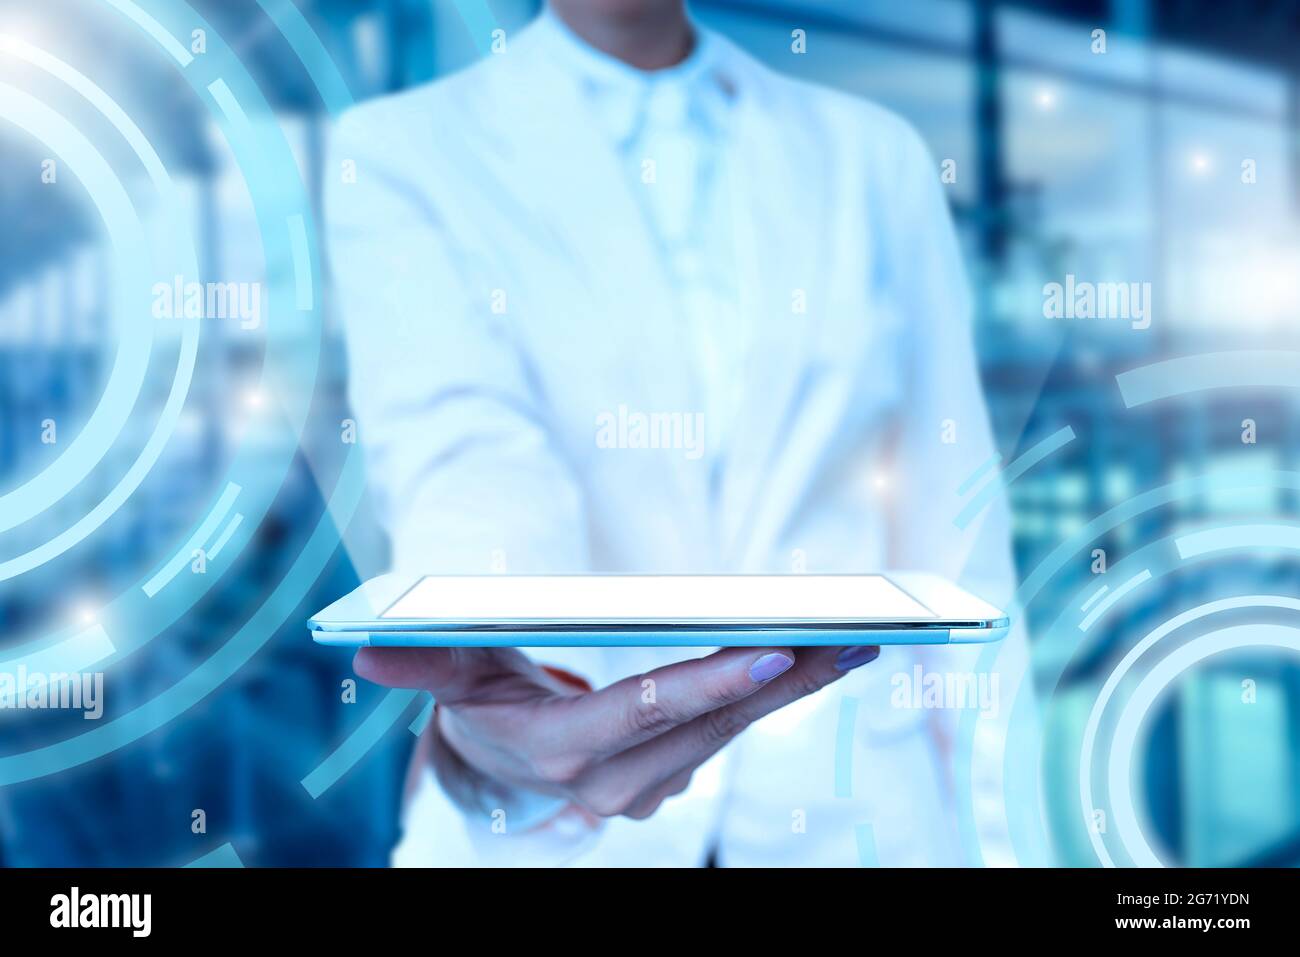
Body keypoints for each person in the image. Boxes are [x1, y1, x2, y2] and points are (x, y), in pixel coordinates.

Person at [326, 0, 1033, 866]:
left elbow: (957, 531)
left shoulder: (873, 157)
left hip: (857, 817)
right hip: (555, 840)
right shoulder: (403, 151)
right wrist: (500, 696)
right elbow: (464, 464)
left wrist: (1009, 848)